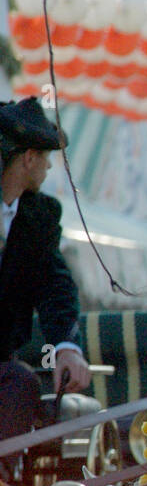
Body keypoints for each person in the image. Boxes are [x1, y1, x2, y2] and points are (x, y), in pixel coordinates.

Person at [0, 97, 90, 456]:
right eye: (46, 155)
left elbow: (55, 285)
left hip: (2, 369)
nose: (51, 165)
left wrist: (66, 346)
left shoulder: (39, 216)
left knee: (19, 382)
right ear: (28, 159)